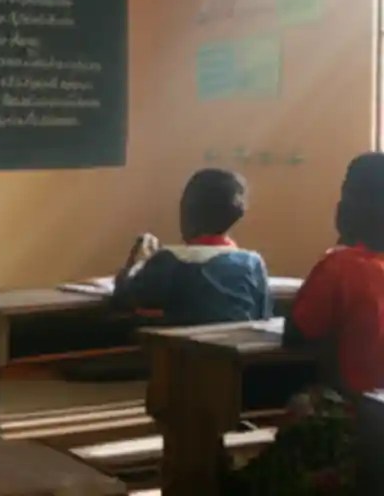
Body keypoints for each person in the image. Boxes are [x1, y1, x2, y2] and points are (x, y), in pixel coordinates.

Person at [226, 153, 384, 494]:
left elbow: (298, 333)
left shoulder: (341, 267)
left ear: (357, 205)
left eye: (348, 193)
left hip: (355, 421)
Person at [113, 168, 271, 325]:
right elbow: (264, 316)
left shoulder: (168, 260)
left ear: (187, 211)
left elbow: (124, 299)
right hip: (237, 347)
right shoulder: (252, 263)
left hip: (178, 348)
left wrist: (135, 265)